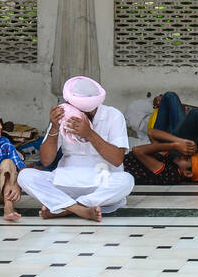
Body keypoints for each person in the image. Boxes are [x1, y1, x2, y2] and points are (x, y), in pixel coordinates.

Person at [16, 76, 134, 222]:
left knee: (127, 181)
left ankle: (63, 209)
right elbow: (46, 161)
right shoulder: (65, 115)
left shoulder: (113, 116)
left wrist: (89, 134)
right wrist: (54, 127)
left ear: (89, 110)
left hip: (100, 182)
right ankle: (80, 209)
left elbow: (117, 160)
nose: (67, 107)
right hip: (65, 182)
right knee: (24, 176)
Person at [148, 91, 198, 179]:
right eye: (188, 158)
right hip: (183, 145)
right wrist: (181, 142)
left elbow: (151, 133)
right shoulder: (190, 163)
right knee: (196, 113)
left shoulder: (162, 160)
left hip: (171, 144)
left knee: (169, 96)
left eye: (187, 158)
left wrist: (177, 144)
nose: (184, 157)